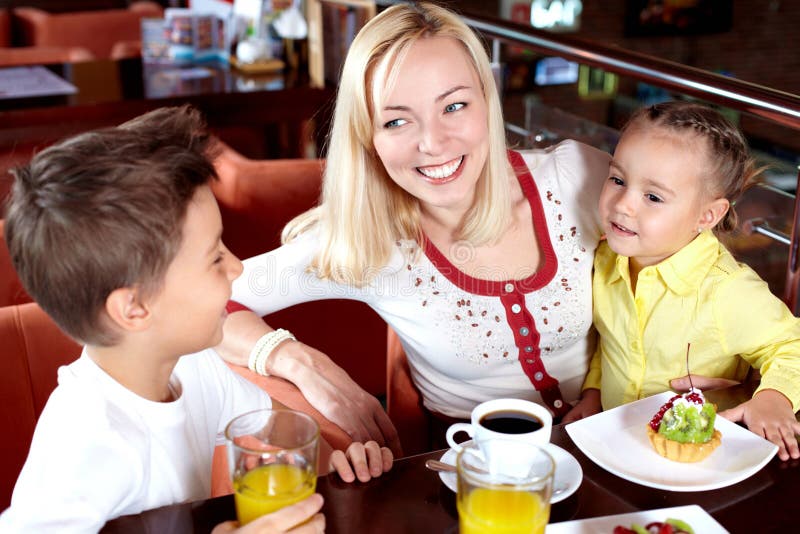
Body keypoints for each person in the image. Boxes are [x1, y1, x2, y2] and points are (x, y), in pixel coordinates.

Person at [216, 1, 610, 450]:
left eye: (455, 105)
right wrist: (299, 362)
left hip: (613, 450)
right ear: (368, 138)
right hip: (463, 476)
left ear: (488, 99)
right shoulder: (368, 239)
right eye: (396, 120)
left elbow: (693, 239)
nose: (432, 143)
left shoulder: (576, 177)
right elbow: (197, 303)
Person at [0, 106, 392, 533]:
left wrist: (339, 462)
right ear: (134, 309)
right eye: (214, 257)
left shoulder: (191, 363)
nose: (237, 267)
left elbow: (284, 437)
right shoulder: (88, 446)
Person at [566, 101, 800, 461]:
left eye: (653, 196)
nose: (623, 204)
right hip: (615, 445)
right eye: (618, 179)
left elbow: (791, 345)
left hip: (699, 460)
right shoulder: (607, 259)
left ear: (707, 215)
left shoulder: (727, 291)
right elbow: (610, 342)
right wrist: (594, 391)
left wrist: (773, 398)